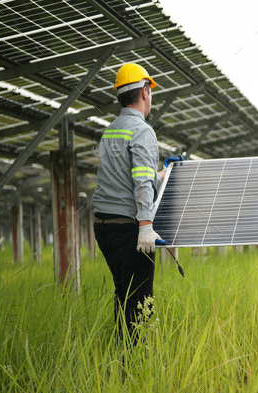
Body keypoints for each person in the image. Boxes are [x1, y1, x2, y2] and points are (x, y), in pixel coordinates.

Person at [92, 63, 180, 339]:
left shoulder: (112, 130)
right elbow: (140, 182)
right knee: (140, 304)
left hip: (104, 228)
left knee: (123, 294)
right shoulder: (142, 131)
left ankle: (121, 356)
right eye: (150, 90)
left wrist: (157, 175)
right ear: (144, 92)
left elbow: (126, 175)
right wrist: (145, 225)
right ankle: (134, 368)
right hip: (131, 230)